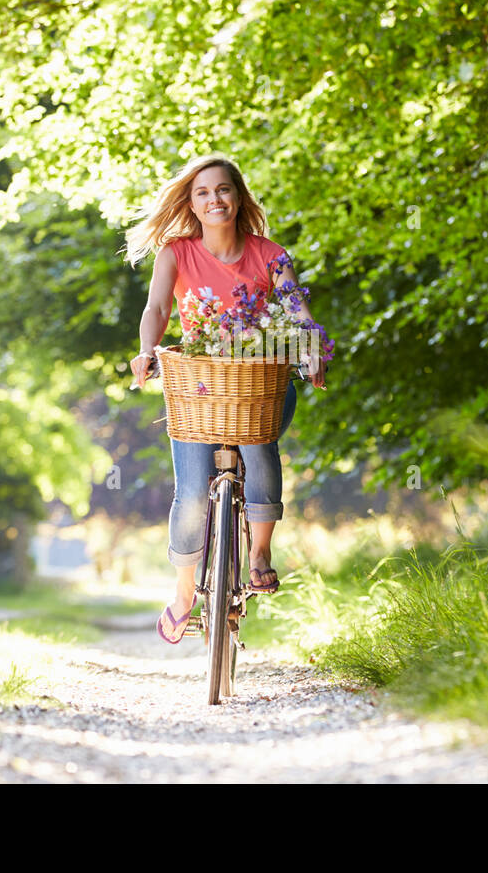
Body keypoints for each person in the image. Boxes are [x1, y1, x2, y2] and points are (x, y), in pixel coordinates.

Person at [121, 152, 327, 643]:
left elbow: (295, 308)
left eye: (223, 190)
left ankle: (258, 554)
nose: (215, 199)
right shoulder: (176, 253)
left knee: (261, 449)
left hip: (257, 384)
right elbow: (156, 308)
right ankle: (185, 590)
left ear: (239, 197)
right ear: (191, 204)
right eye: (203, 192)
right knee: (191, 492)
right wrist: (148, 351)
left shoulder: (271, 254)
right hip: (200, 390)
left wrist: (309, 346)